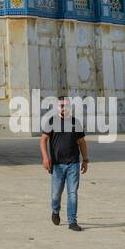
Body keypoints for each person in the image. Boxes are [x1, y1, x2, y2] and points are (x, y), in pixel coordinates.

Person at [41, 96, 88, 231]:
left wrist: (85, 160)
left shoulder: (75, 123)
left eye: (66, 106)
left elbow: (82, 143)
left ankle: (72, 221)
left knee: (72, 192)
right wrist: (45, 157)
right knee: (56, 194)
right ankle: (55, 211)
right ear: (57, 108)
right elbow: (43, 140)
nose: (64, 108)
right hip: (57, 165)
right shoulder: (51, 121)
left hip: (73, 163)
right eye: (61, 106)